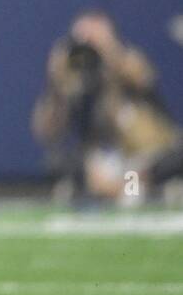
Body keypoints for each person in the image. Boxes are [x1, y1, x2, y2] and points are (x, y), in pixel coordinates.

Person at [32, 11, 181, 204]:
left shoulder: (128, 62)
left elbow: (143, 78)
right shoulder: (73, 79)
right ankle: (122, 190)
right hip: (101, 163)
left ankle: (133, 187)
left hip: (142, 158)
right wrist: (56, 83)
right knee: (55, 163)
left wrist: (110, 55)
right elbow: (46, 132)